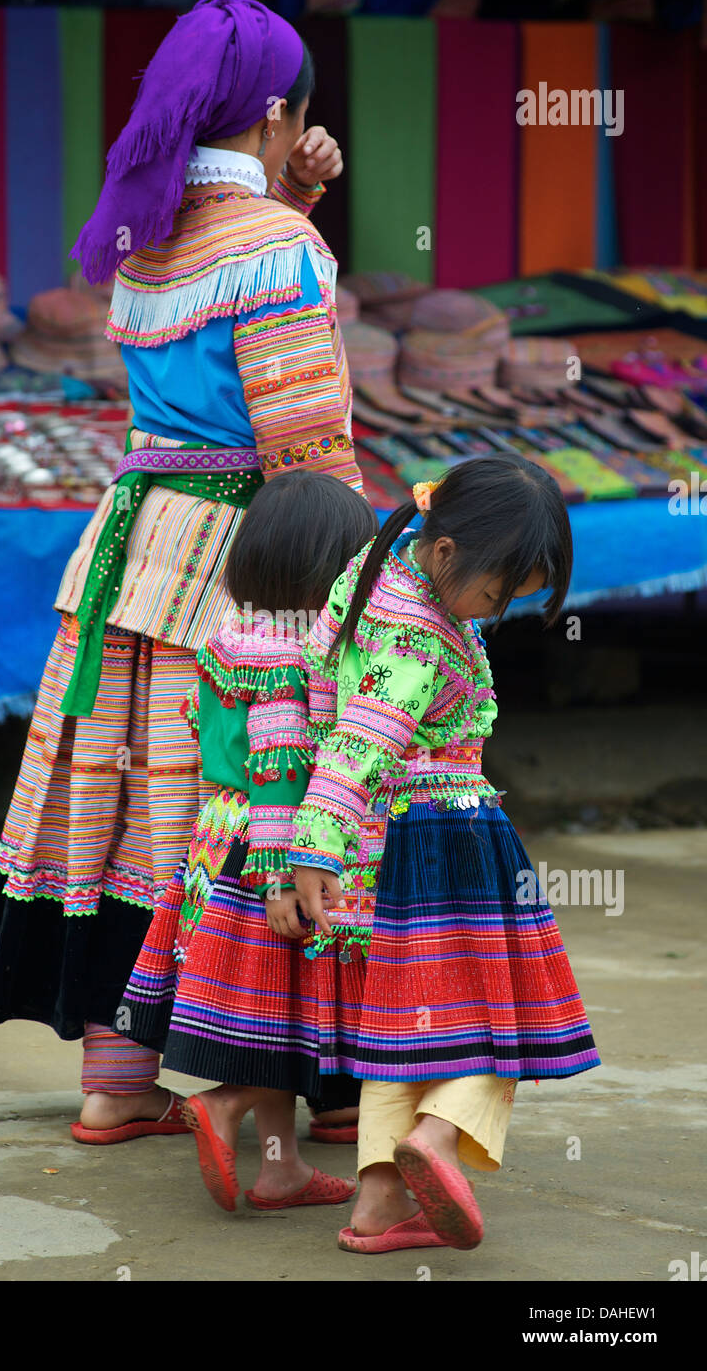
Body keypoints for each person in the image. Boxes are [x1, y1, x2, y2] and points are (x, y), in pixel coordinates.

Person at [0, 0, 364, 1141]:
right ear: (279, 113)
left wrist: (295, 190)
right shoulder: (278, 249)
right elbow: (305, 444)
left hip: (137, 548)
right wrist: (355, 589)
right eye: (296, 116)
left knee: (137, 804)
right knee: (255, 800)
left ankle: (115, 1084)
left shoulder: (147, 232)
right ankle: (304, 1085)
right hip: (252, 554)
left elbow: (202, 362)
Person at [287, 456, 602, 1253]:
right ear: (450, 550)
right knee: (503, 1011)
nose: (493, 614)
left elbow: (331, 706)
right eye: (497, 595)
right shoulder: (423, 639)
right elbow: (365, 734)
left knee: (406, 1021)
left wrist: (328, 844)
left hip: (383, 845)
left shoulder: (373, 572)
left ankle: (377, 1203)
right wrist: (312, 845)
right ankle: (440, 1133)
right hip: (448, 830)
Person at [113, 471, 377, 1210]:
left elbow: (209, 742)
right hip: (274, 849)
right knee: (298, 1013)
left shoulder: (228, 637)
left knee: (267, 1009)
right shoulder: (294, 656)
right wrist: (283, 876)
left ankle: (281, 1165)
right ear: (329, 569)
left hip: (216, 840)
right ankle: (225, 1106)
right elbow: (279, 770)